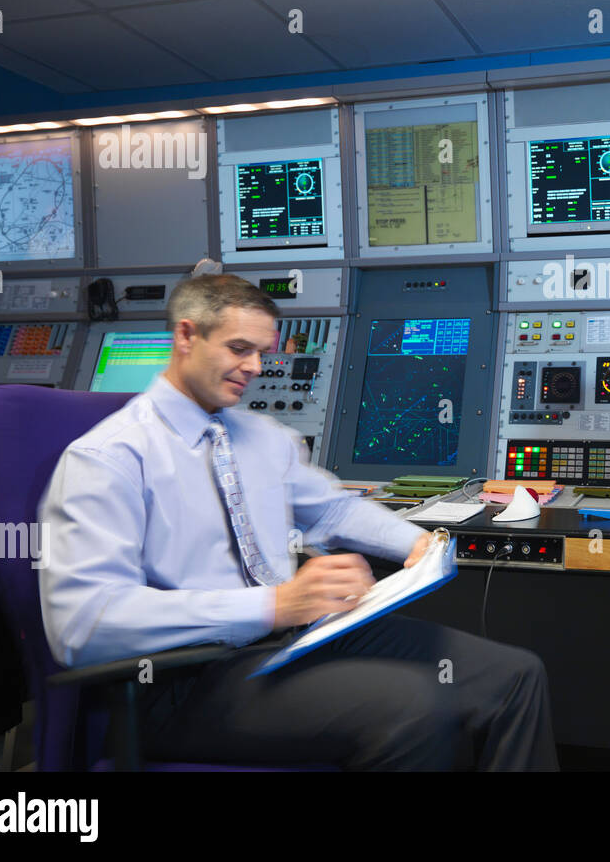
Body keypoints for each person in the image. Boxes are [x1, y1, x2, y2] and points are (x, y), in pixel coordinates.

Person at [39, 274, 556, 771]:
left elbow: (332, 508)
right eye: (240, 348)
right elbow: (83, 624)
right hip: (183, 678)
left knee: (513, 676)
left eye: (263, 352)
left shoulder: (262, 436)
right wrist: (274, 605)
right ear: (186, 335)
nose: (257, 366)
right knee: (415, 707)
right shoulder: (109, 458)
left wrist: (415, 543)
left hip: (294, 638)